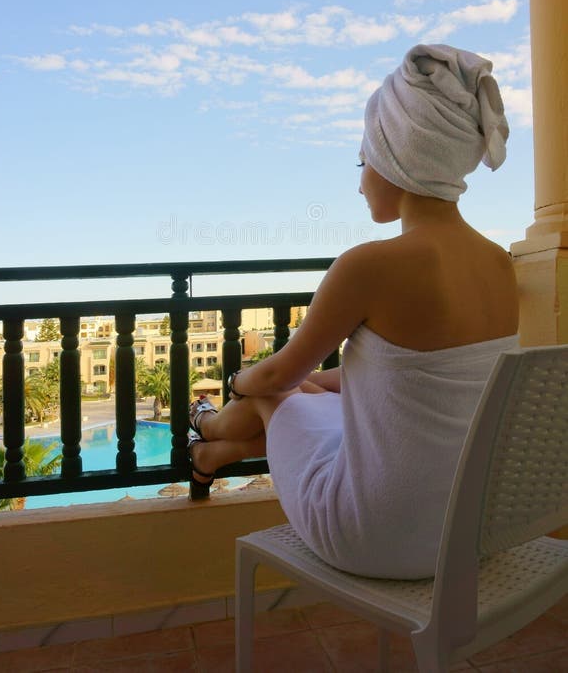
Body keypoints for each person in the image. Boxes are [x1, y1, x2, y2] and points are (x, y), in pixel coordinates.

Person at [188, 43, 519, 579]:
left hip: (377, 533)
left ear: (394, 161)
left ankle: (207, 427)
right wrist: (308, 384)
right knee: (307, 390)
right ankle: (212, 454)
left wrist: (239, 380)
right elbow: (414, 374)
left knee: (276, 392)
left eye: (364, 162)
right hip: (469, 531)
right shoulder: (500, 265)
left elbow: (278, 374)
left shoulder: (368, 265)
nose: (360, 180)